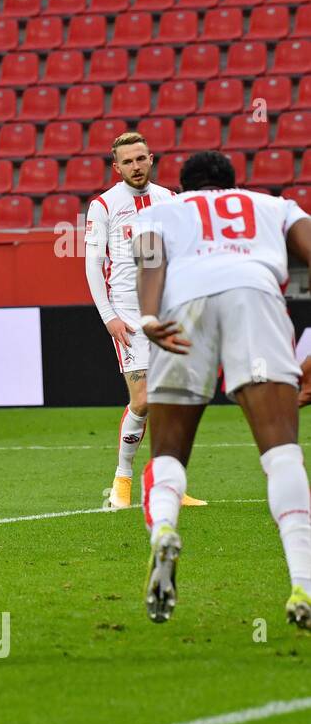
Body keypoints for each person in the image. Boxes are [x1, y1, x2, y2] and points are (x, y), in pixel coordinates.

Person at [132, 150, 311, 629]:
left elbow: (150, 260)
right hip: (255, 295)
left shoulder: (159, 210)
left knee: (168, 453)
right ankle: (302, 584)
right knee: (282, 455)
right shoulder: (274, 205)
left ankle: (165, 527)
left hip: (181, 303)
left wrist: (148, 317)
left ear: (184, 188)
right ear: (234, 184)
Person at [85, 131, 205, 510]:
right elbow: (92, 264)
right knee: (142, 398)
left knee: (169, 399)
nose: (135, 167)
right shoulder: (103, 205)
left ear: (151, 159)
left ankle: (167, 484)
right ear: (116, 166)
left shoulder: (169, 200)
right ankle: (122, 478)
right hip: (128, 316)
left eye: (141, 159)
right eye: (127, 161)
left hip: (166, 311)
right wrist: (109, 317)